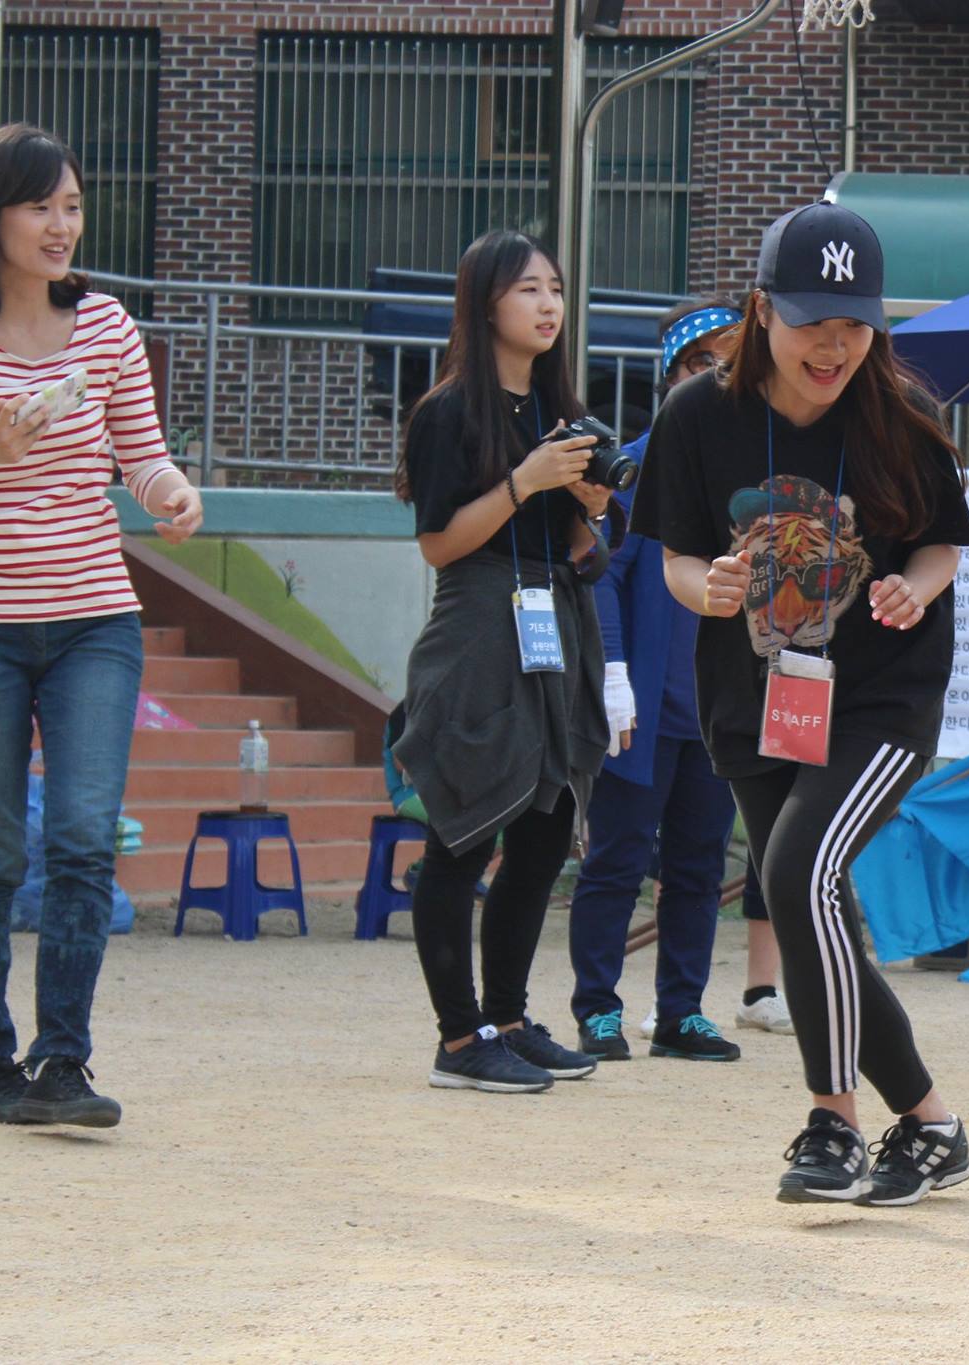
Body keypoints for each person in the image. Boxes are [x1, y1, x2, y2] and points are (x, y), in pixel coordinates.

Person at [632, 200, 969, 1205]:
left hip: (879, 700)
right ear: (759, 312)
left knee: (792, 874)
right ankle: (930, 1126)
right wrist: (710, 589)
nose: (834, 343)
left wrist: (918, 584)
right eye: (810, 318)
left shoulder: (901, 418)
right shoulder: (696, 417)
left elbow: (942, 541)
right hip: (751, 701)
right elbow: (677, 559)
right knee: (812, 903)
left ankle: (831, 1121)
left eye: (855, 322)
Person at [0, 125, 202, 1129]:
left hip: (96, 614)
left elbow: (140, 456)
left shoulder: (104, 327)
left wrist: (172, 490)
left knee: (87, 839)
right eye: (39, 206)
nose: (61, 226)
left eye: (73, 208)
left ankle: (64, 1063)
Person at [392, 229, 619, 1095]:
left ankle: (511, 1017)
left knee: (543, 828)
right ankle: (459, 1037)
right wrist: (524, 481)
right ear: (486, 301)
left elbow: (583, 556)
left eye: (557, 288)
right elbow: (440, 543)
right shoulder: (448, 411)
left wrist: (587, 506)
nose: (549, 305)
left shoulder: (559, 418)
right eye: (530, 289)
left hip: (554, 617)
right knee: (462, 827)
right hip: (481, 619)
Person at [568, 297, 792, 1065]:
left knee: (699, 863)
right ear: (673, 376)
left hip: (716, 707)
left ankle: (682, 1009)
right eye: (704, 365)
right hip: (642, 708)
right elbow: (601, 575)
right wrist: (614, 675)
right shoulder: (630, 469)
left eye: (735, 365)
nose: (721, 378)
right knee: (618, 860)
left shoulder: (748, 482)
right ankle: (597, 1005)